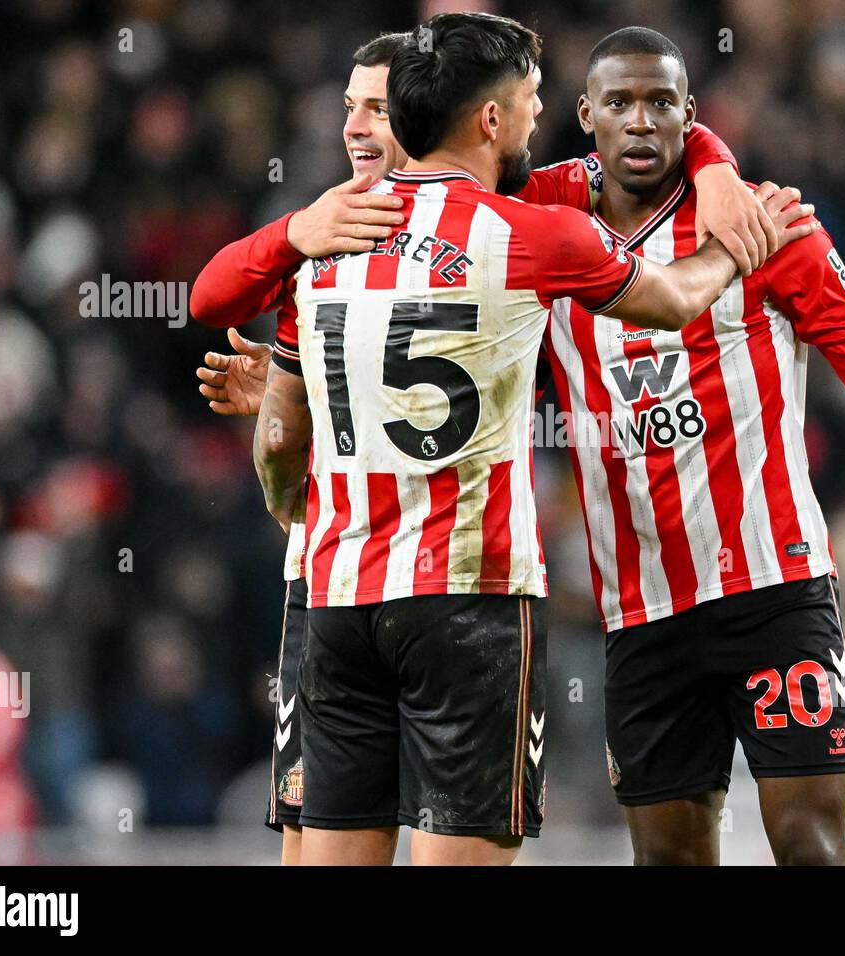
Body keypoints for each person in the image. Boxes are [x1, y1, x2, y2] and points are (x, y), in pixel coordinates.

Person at [189, 29, 801, 864]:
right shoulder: (531, 232)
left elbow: (279, 439)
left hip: (334, 600)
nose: (541, 113)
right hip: (468, 602)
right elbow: (672, 301)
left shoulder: (326, 243)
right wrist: (736, 241)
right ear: (489, 118)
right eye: (530, 99)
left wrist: (298, 503)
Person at [536, 28, 845, 864]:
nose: (642, 122)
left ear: (691, 115)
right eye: (620, 103)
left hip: (775, 588)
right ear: (586, 115)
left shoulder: (767, 226)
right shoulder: (537, 226)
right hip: (641, 611)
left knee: (809, 846)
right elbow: (447, 183)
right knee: (669, 860)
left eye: (663, 104)